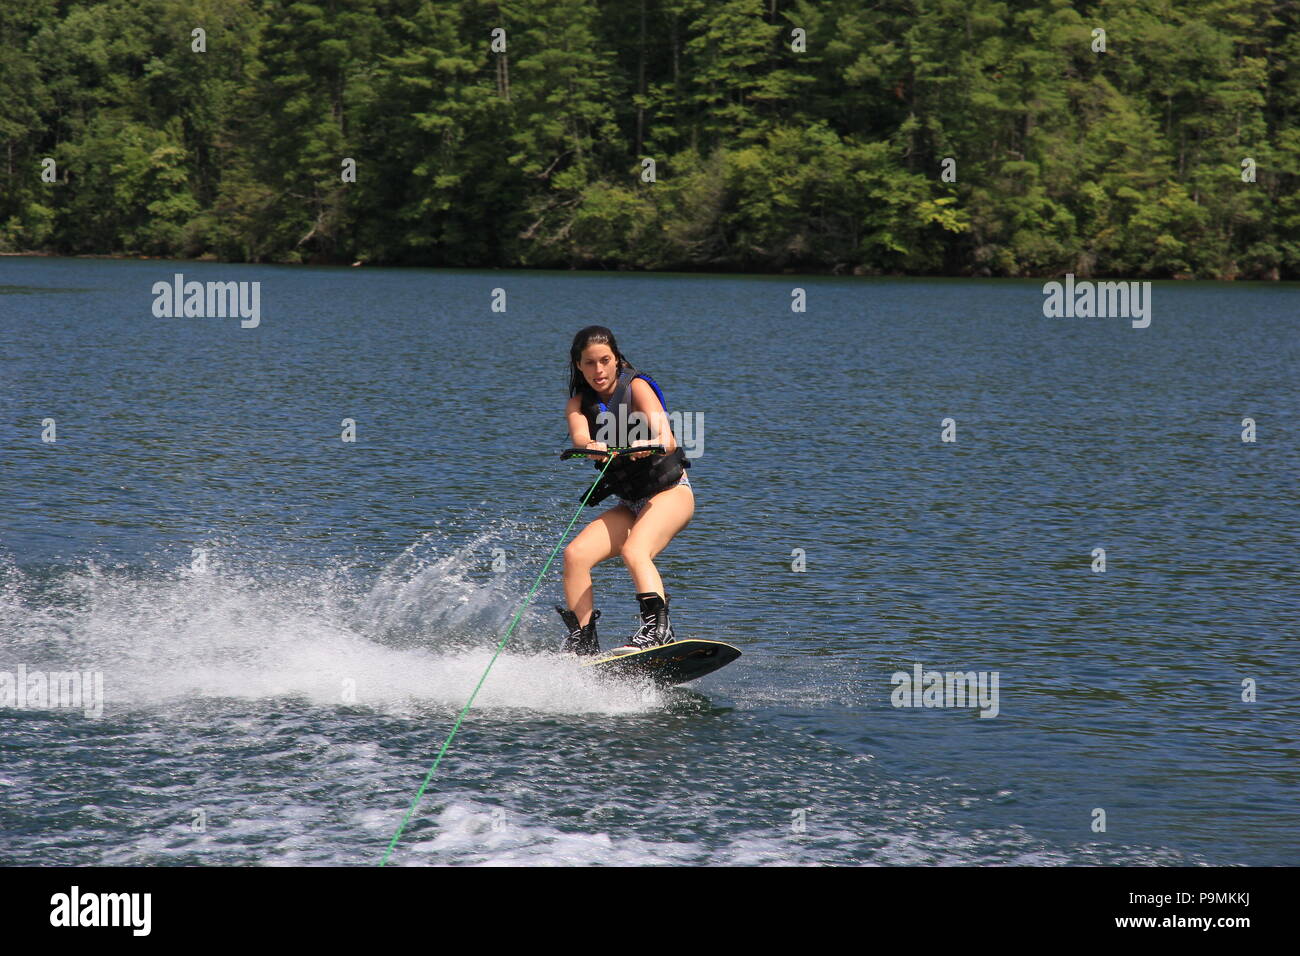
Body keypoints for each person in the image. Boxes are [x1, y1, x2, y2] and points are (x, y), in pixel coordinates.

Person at [554, 326, 694, 656]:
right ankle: (584, 645)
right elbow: (581, 440)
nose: (598, 370)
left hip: (670, 494)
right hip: (631, 504)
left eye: (605, 361)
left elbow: (667, 437)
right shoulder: (578, 404)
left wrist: (647, 443)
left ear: (617, 360)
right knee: (575, 556)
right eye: (590, 363)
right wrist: (594, 447)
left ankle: (659, 630)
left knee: (635, 551)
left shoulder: (637, 387)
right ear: (578, 365)